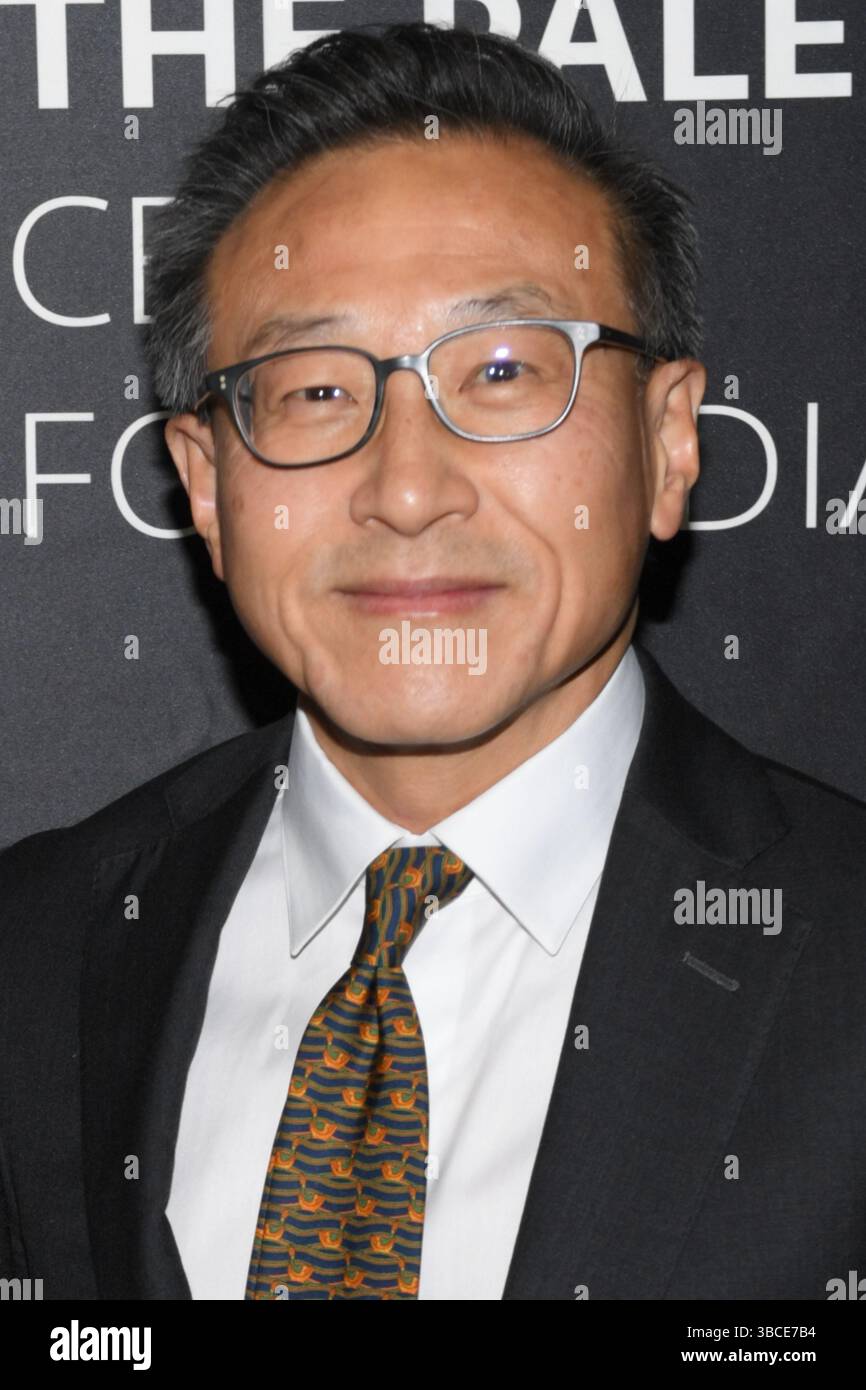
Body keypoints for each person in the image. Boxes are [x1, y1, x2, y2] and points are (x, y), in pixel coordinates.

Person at [1, 21, 864, 1303]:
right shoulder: (36, 947)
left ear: (669, 442)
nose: (405, 489)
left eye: (505, 371)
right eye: (311, 392)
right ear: (205, 483)